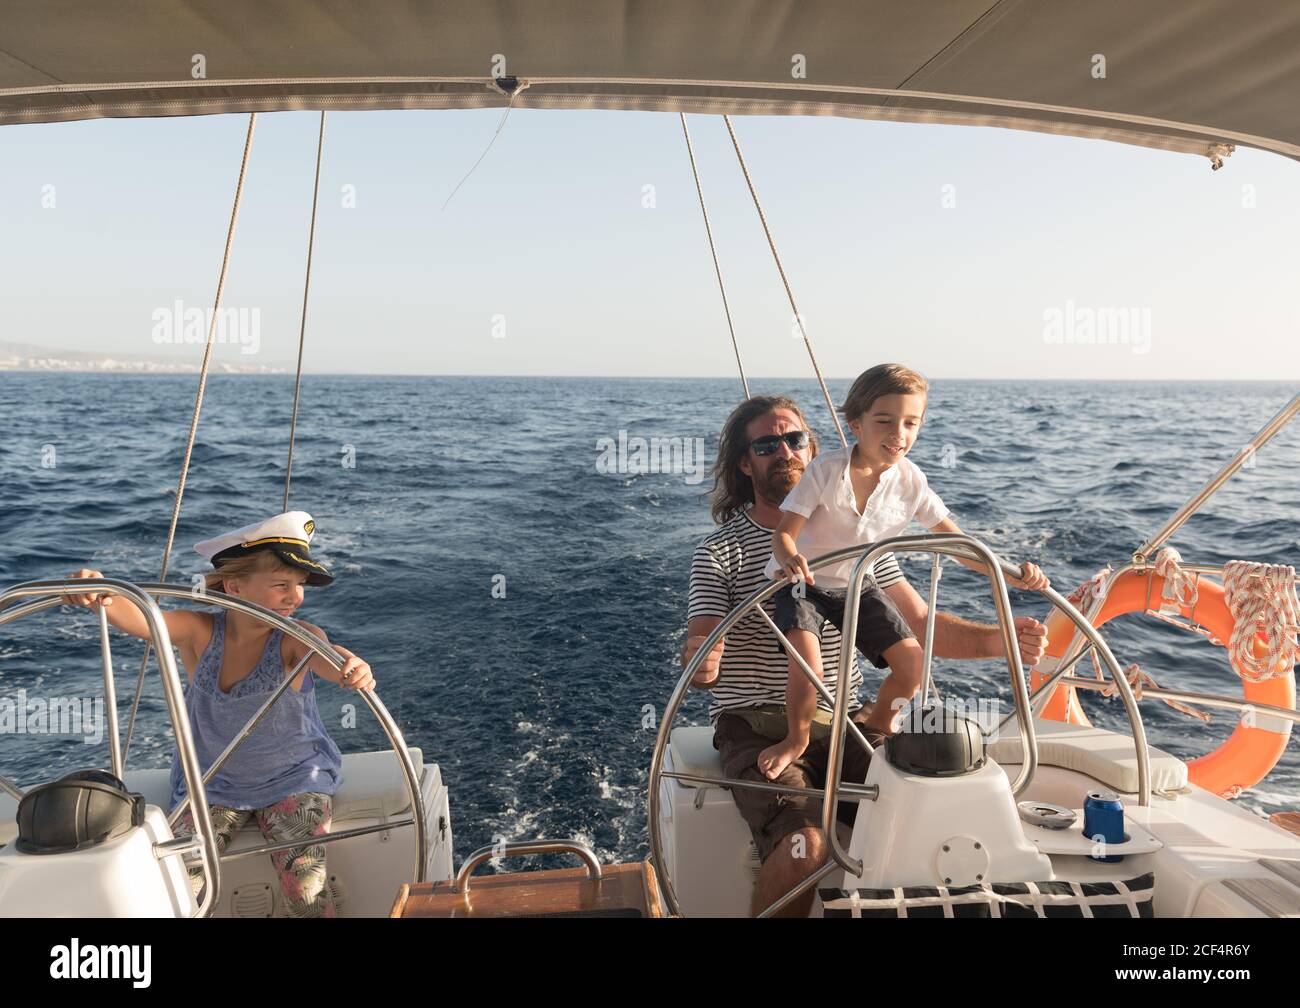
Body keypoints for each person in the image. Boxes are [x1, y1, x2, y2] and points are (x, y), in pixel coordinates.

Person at [684, 394, 1049, 916]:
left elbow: (919, 626)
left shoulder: (853, 537)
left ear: (813, 450)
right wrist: (705, 656)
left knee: (941, 810)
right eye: (767, 444)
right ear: (746, 464)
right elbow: (701, 642)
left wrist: (1001, 640)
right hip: (755, 728)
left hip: (849, 724)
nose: (785, 451)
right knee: (803, 848)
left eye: (795, 439)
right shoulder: (721, 551)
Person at [63, 511, 372, 918]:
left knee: (306, 887)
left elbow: (330, 659)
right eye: (282, 584)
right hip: (212, 785)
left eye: (299, 586)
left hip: (293, 780)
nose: (294, 596)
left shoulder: (298, 639)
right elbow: (142, 618)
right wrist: (99, 592)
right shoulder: (198, 631)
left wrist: (353, 668)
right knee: (174, 886)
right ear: (233, 585)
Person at [758, 363, 1049, 780]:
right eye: (885, 421)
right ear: (855, 424)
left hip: (857, 583)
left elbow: (959, 545)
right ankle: (796, 740)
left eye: (911, 423)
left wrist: (1012, 573)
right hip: (799, 583)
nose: (899, 434)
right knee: (809, 669)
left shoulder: (912, 481)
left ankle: (876, 726)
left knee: (912, 664)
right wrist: (790, 559)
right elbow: (784, 535)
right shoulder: (823, 471)